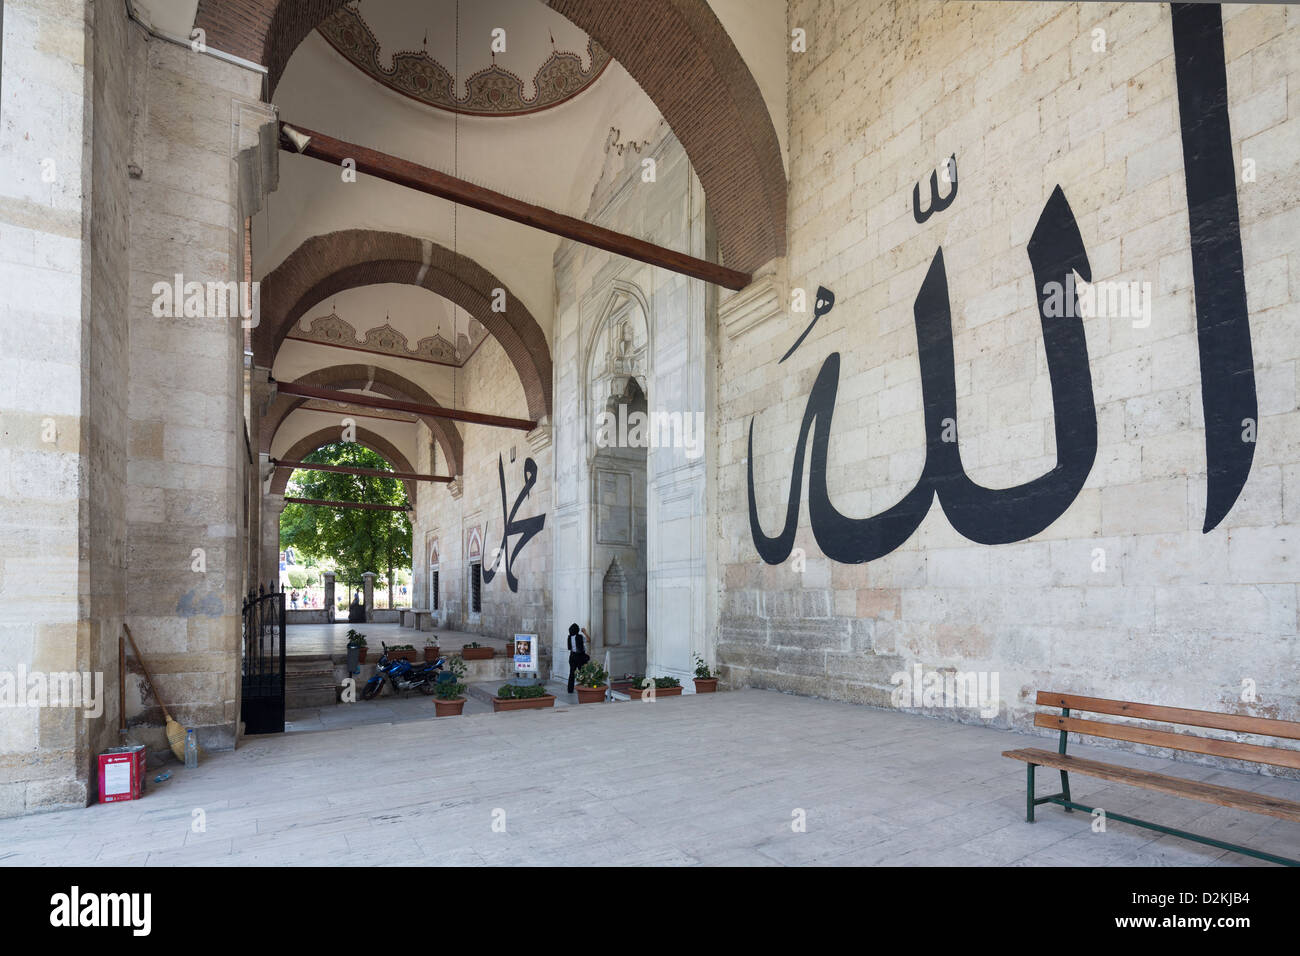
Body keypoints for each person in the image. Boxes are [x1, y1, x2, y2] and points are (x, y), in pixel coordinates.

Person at [565, 623, 590, 694]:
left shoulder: (569, 637)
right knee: (583, 672)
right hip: (580, 657)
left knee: (572, 673)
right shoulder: (580, 637)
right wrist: (585, 632)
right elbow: (588, 640)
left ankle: (570, 689)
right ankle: (584, 688)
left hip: (572, 656)